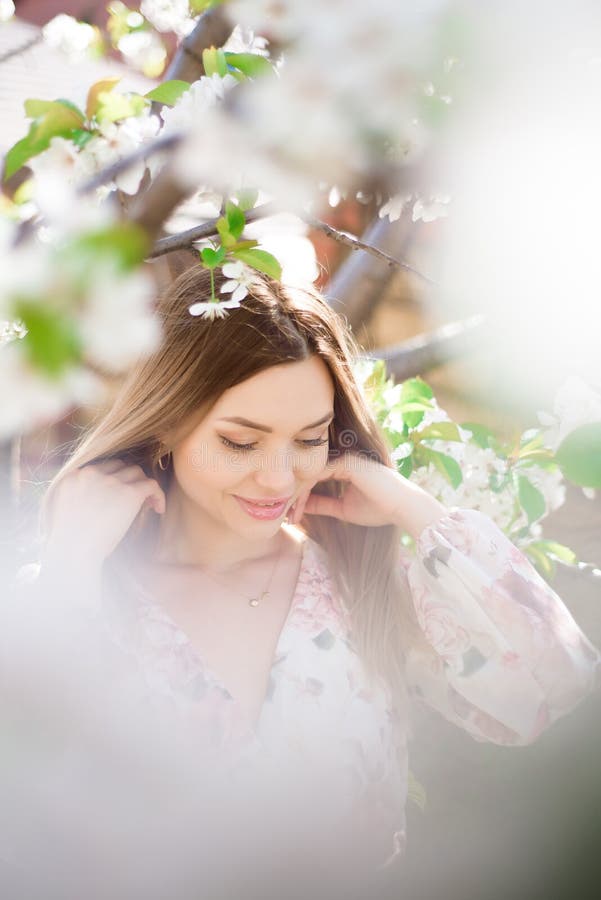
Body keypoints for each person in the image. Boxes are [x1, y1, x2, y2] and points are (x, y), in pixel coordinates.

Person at [7, 266, 600, 899]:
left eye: (310, 440)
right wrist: (70, 567)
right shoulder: (76, 595)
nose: (277, 478)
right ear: (168, 424)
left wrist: (413, 510)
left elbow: (551, 686)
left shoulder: (364, 587)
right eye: (240, 443)